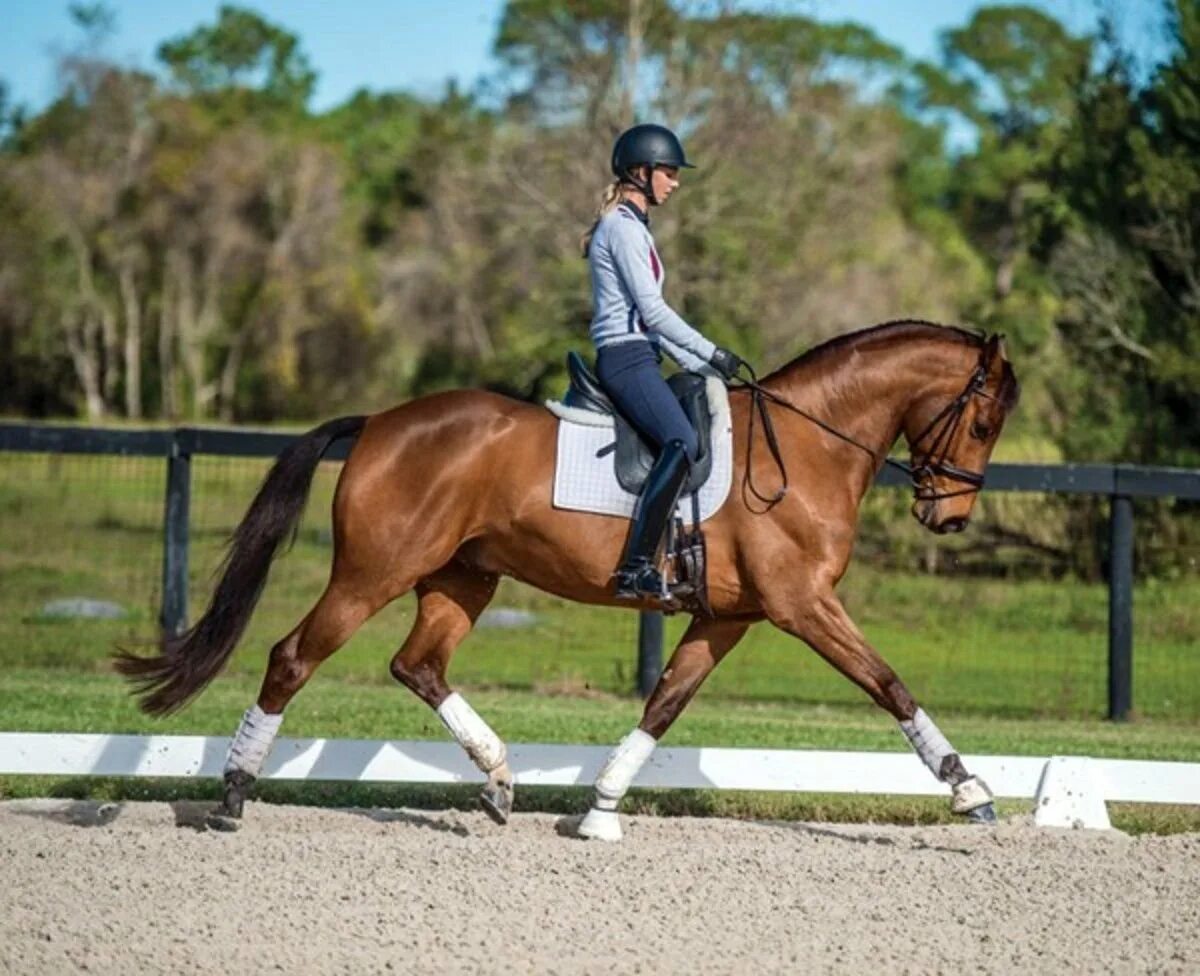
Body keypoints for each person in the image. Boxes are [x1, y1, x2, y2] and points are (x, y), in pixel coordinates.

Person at [581, 123, 746, 601]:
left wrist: (700, 365)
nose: (674, 182)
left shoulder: (632, 228)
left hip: (642, 354)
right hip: (626, 359)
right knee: (681, 438)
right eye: (669, 172)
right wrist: (711, 349)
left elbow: (650, 322)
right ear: (641, 171)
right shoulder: (621, 229)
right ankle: (635, 568)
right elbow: (652, 312)